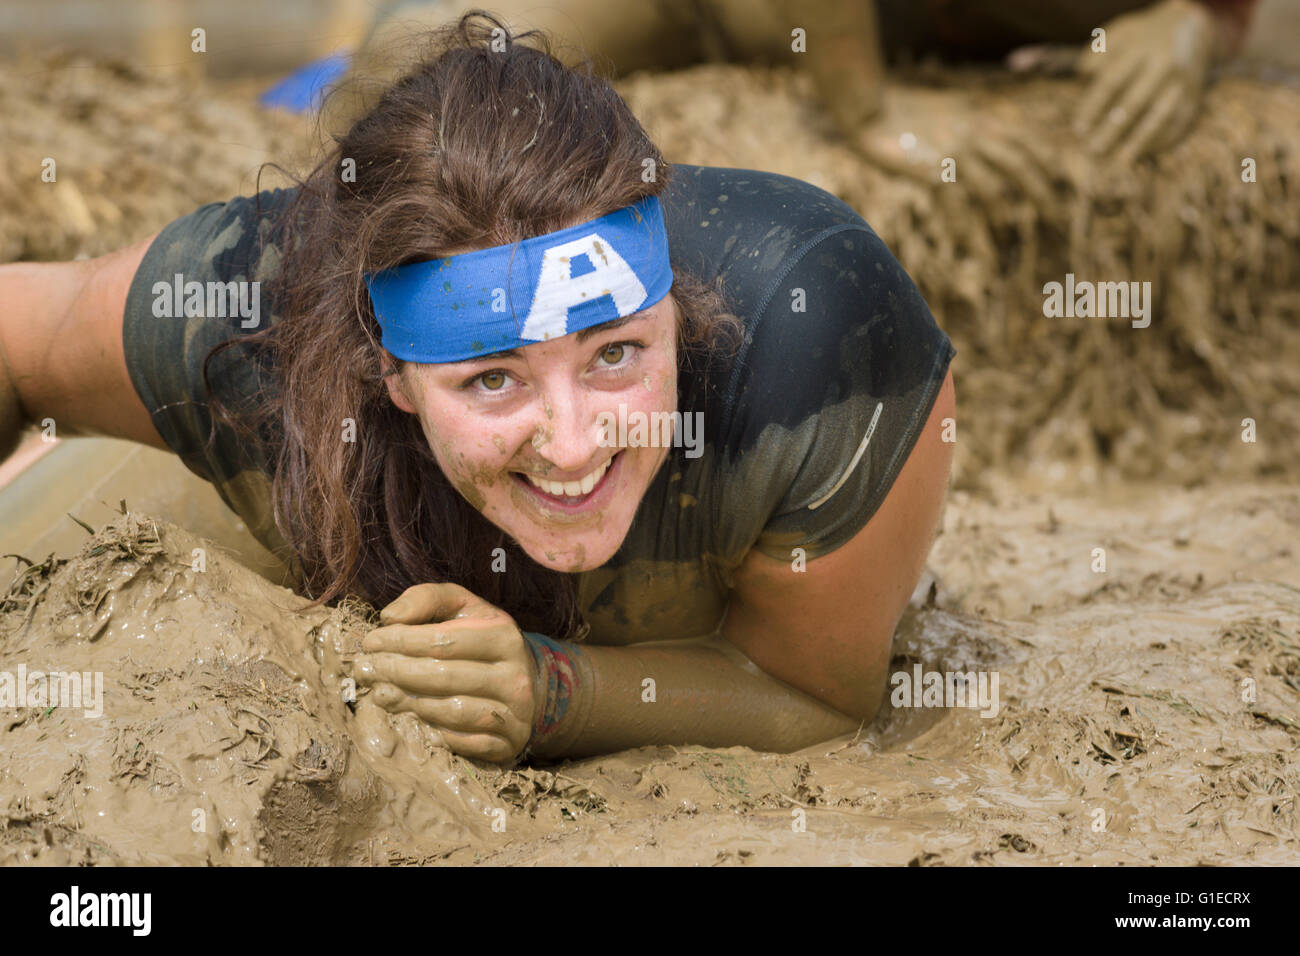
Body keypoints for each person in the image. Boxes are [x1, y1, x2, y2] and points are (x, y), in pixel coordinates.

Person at [0, 13, 955, 764]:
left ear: (676, 315)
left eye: (616, 356)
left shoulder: (818, 337)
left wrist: (554, 696)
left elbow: (816, 697)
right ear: (395, 375)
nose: (574, 445)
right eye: (493, 378)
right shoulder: (242, 321)